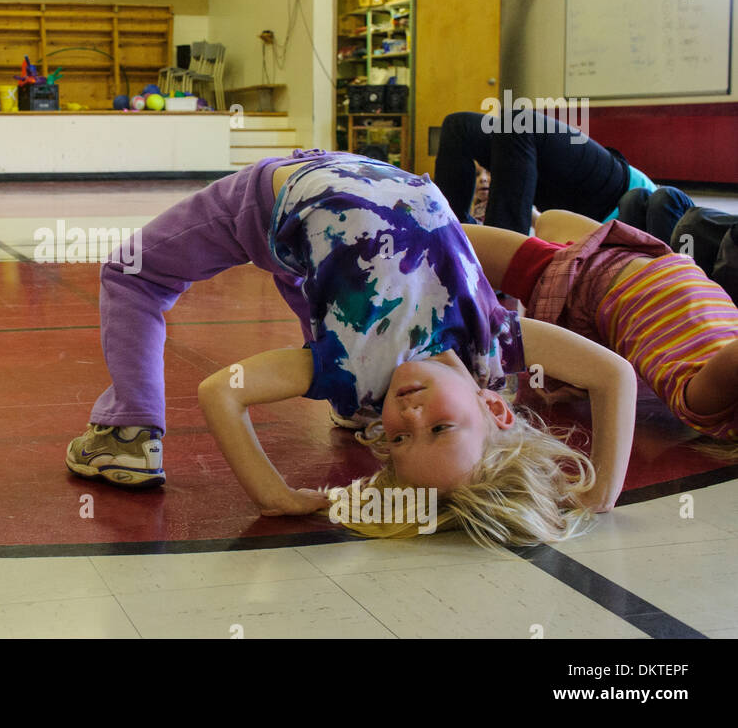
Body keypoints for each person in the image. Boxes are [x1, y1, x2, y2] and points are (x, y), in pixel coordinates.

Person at [68, 151, 638, 546]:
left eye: (396, 436)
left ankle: (133, 432)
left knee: (168, 271)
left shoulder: (418, 356)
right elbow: (616, 375)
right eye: (439, 428)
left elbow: (221, 391)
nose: (412, 415)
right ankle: (128, 435)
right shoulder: (488, 340)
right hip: (304, 191)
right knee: (134, 274)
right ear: (494, 405)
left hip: (334, 186)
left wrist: (278, 493)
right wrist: (602, 495)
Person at [464, 211, 738, 445]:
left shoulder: (709, 406)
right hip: (650, 261)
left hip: (593, 279)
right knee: (550, 219)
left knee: (444, 237)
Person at [434, 111, 656, 234]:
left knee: (517, 123)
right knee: (458, 125)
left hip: (618, 195)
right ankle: (449, 237)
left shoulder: (663, 212)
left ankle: (499, 261)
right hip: (585, 197)